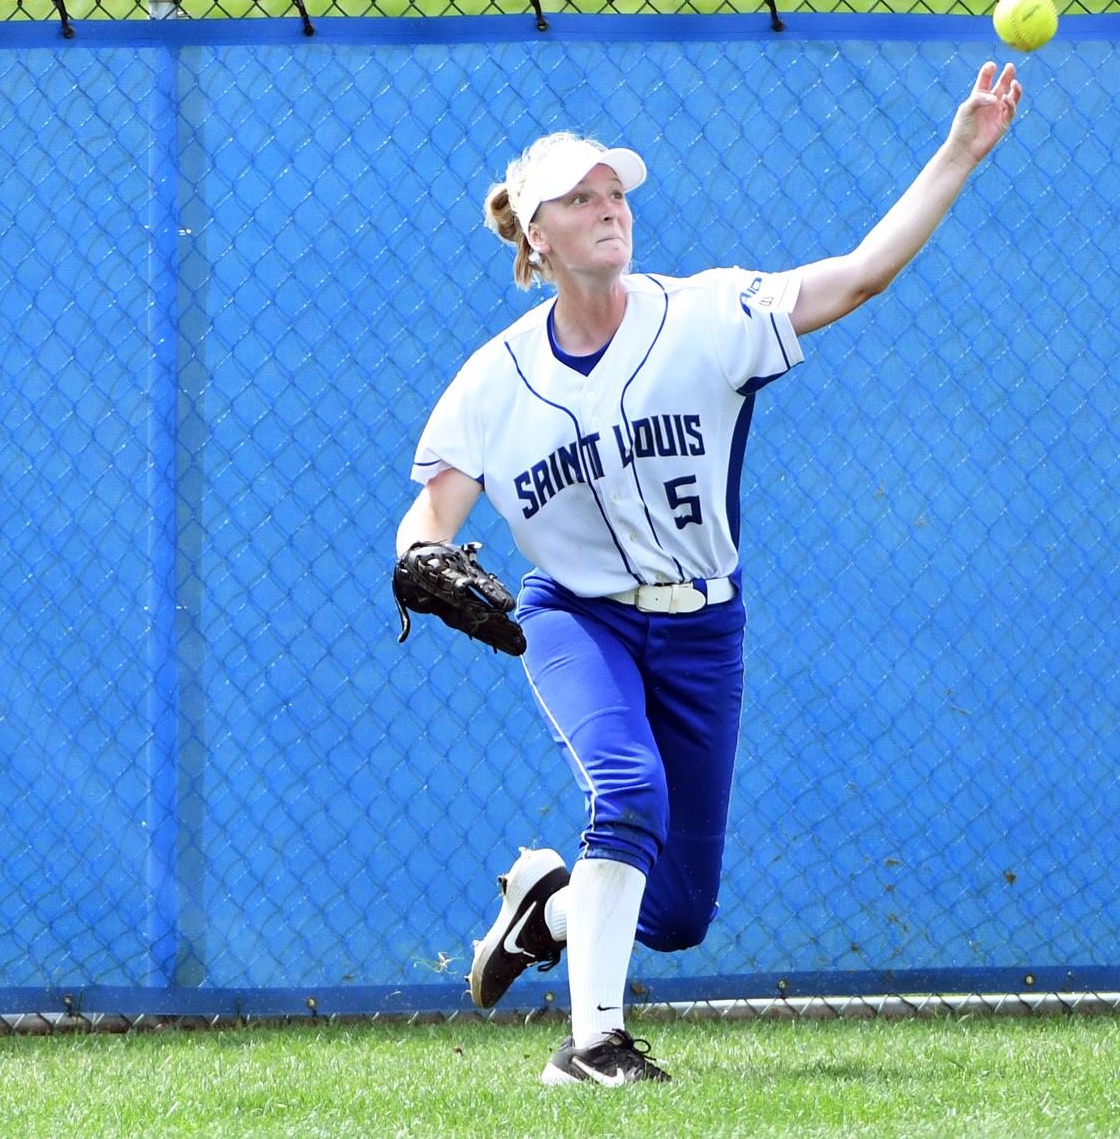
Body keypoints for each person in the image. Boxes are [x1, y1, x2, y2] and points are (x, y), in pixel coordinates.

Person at [394, 60, 1023, 1086]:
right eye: (580, 200)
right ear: (533, 235)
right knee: (627, 789)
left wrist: (958, 149)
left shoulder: (705, 315)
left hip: (699, 628)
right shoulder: (493, 380)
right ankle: (591, 1047)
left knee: (677, 911)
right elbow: (431, 513)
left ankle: (544, 905)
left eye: (615, 193)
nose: (608, 209)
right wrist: (419, 554)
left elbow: (860, 272)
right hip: (574, 619)